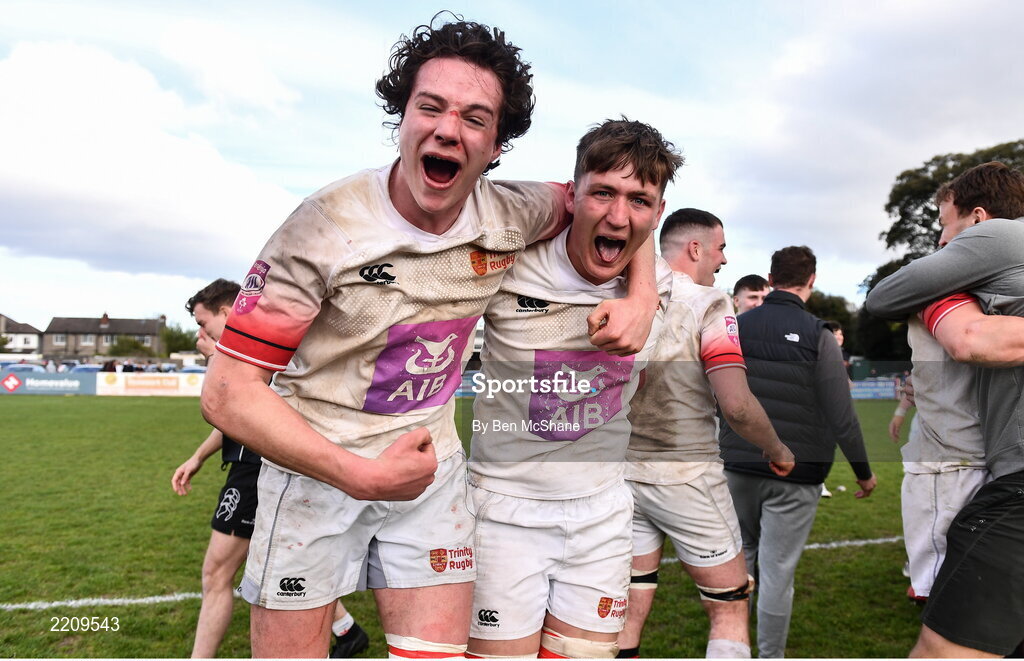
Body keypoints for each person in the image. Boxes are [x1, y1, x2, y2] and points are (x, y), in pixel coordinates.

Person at [200, 17, 659, 659]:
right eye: (431, 107)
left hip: (430, 472)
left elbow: (617, 205)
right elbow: (227, 393)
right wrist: (359, 475)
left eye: (475, 118)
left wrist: (641, 295)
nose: (448, 129)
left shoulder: (515, 211)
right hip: (316, 472)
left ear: (496, 145)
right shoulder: (324, 227)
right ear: (402, 117)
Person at [465, 117, 679, 659]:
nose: (617, 215)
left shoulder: (658, 285)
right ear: (572, 194)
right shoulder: (510, 261)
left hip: (603, 513)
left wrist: (642, 294)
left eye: (639, 200)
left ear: (657, 213)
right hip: (505, 512)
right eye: (602, 192)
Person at [865, 161, 1024, 657]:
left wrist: (939, 292)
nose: (940, 240)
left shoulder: (1001, 235)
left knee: (944, 646)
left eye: (945, 224)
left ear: (978, 218)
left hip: (1012, 477)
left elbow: (884, 296)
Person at [619, 209, 794, 659]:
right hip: (686, 473)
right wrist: (776, 448)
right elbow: (736, 404)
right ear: (695, 249)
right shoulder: (709, 302)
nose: (725, 259)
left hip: (621, 472)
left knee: (628, 604)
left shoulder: (621, 290)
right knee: (729, 606)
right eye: (721, 248)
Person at [172, 279, 370, 658]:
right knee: (280, 559)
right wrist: (198, 457)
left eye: (202, 323)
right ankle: (347, 630)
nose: (200, 334)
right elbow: (232, 415)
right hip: (260, 465)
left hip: (256, 468)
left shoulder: (260, 350)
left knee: (217, 574)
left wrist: (215, 358)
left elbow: (229, 405)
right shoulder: (258, 348)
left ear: (226, 313)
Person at [718, 245, 877, 659]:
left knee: (741, 562)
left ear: (770, 280)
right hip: (797, 475)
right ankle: (769, 655)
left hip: (738, 466)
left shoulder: (735, 326)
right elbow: (842, 415)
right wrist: (863, 472)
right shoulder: (818, 334)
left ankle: (733, 648)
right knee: (776, 573)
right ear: (812, 281)